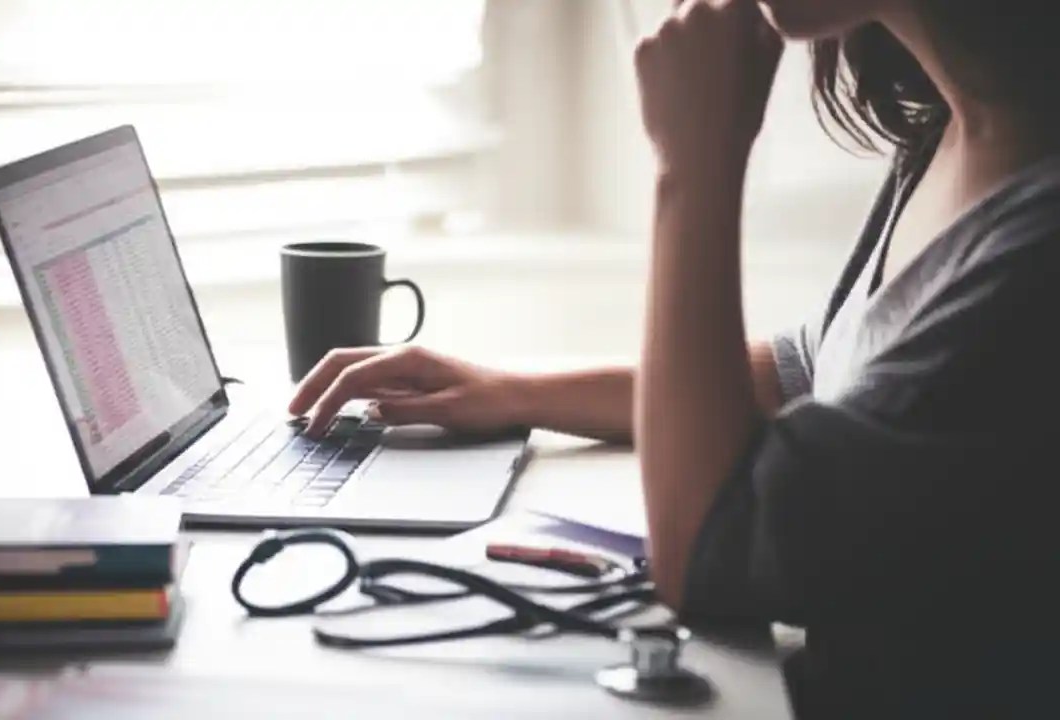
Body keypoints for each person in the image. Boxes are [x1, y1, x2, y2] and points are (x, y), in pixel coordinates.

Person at [289, 0, 1056, 716]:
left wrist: (694, 161)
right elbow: (807, 374)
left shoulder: (1037, 256)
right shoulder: (947, 132)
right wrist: (511, 390)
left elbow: (709, 552)